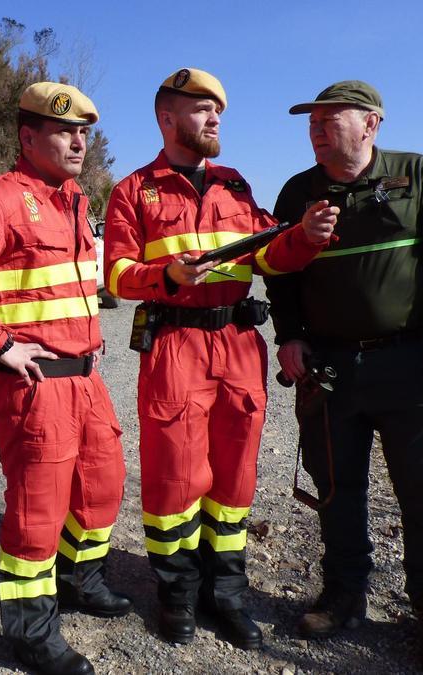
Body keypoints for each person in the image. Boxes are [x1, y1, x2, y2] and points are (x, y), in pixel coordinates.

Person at [103, 68, 337, 649]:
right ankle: (177, 594)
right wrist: (168, 275)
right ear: (168, 118)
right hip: (174, 346)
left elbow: (269, 256)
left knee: (235, 475)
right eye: (203, 109)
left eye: (219, 112)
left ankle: (225, 592)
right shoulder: (134, 190)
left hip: (236, 346)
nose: (215, 119)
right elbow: (115, 273)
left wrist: (305, 236)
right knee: (174, 477)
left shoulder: (235, 185)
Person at [265, 80, 423, 675]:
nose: (316, 127)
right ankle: (343, 594)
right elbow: (279, 275)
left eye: (331, 118)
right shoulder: (297, 191)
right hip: (331, 368)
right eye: (311, 120)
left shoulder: (417, 176)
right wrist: (289, 334)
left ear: (372, 125)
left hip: (413, 364)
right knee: (336, 488)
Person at [0, 82, 129, 675]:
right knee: (37, 510)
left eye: (84, 132)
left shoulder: (74, 200)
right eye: (66, 131)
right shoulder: (0, 201)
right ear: (28, 137)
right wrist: (1, 341)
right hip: (36, 387)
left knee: (102, 484)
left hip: (86, 378)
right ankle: (30, 631)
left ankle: (80, 580)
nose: (79, 141)